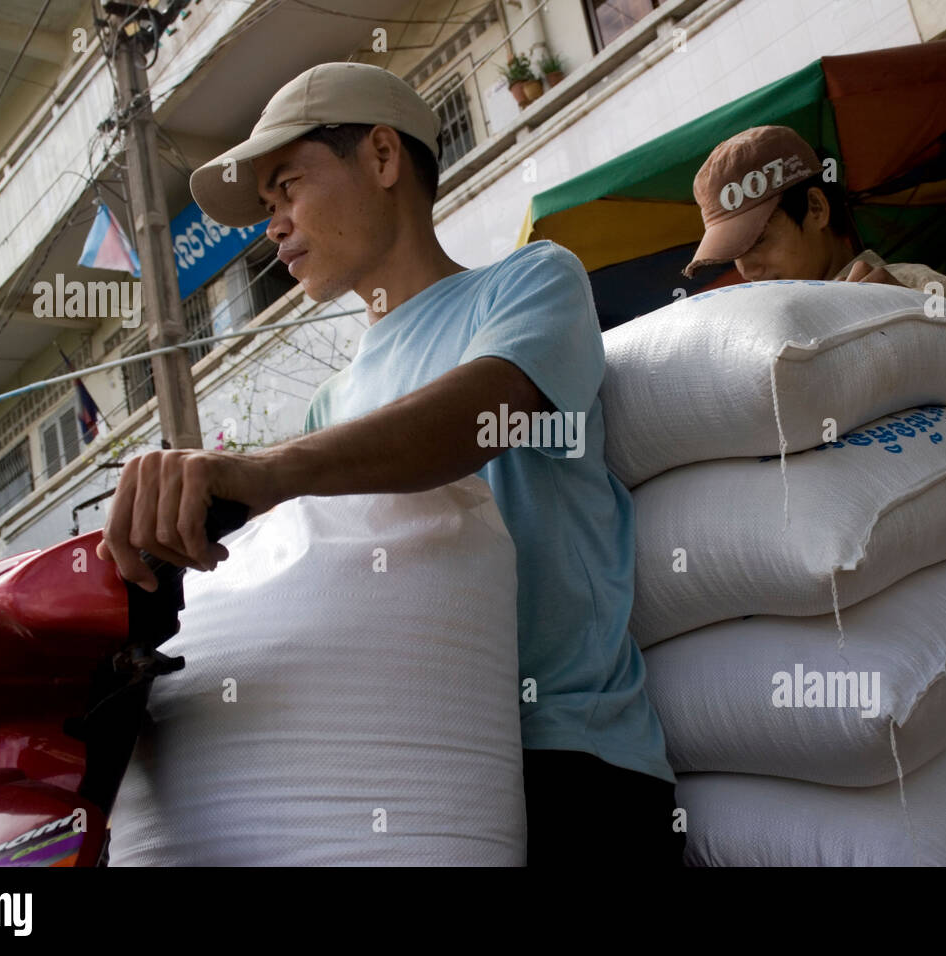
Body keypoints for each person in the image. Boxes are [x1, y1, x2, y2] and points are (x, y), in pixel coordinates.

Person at [96, 63, 682, 866]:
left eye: (289, 188)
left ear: (380, 158)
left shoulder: (528, 284)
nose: (274, 225)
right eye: (267, 207)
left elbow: (482, 415)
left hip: (566, 760)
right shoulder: (325, 408)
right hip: (410, 771)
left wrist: (267, 473)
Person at [681, 125, 946, 428]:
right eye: (734, 256)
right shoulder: (767, 337)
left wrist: (924, 323)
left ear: (816, 208)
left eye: (760, 240)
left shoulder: (911, 287)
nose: (748, 270)